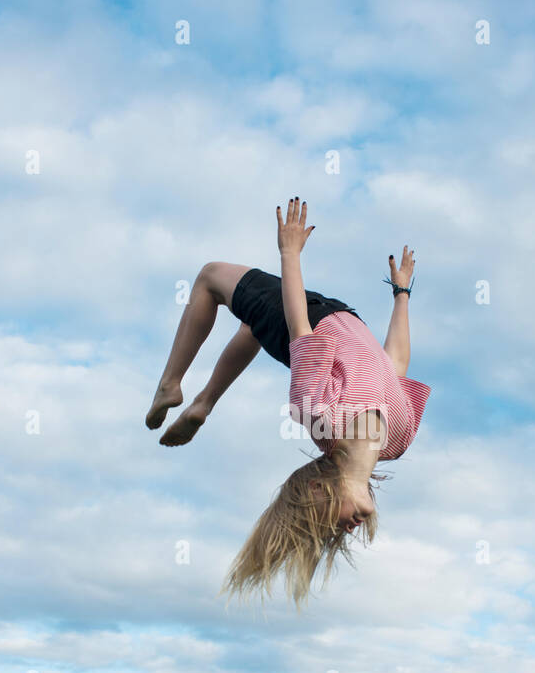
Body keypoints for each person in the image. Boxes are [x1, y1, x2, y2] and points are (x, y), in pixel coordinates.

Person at [146, 198, 431, 606]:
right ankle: (203, 404)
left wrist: (289, 254)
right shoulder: (397, 441)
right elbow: (396, 364)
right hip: (339, 317)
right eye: (336, 534)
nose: (344, 530)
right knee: (254, 324)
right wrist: (402, 293)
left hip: (311, 321)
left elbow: (298, 325)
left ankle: (171, 386)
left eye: (327, 524)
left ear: (317, 488)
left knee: (211, 277)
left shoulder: (319, 414)